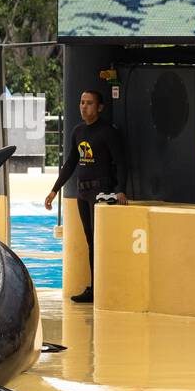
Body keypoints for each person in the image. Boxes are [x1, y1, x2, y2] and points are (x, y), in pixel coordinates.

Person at [45, 89, 128, 303]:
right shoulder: (78, 132)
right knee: (90, 241)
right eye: (82, 102)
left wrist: (120, 189)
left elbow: (121, 161)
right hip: (83, 193)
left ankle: (104, 286)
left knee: (102, 242)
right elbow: (71, 162)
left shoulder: (108, 131)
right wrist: (55, 190)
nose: (84, 107)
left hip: (102, 193)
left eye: (89, 103)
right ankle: (93, 288)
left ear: (99, 107)